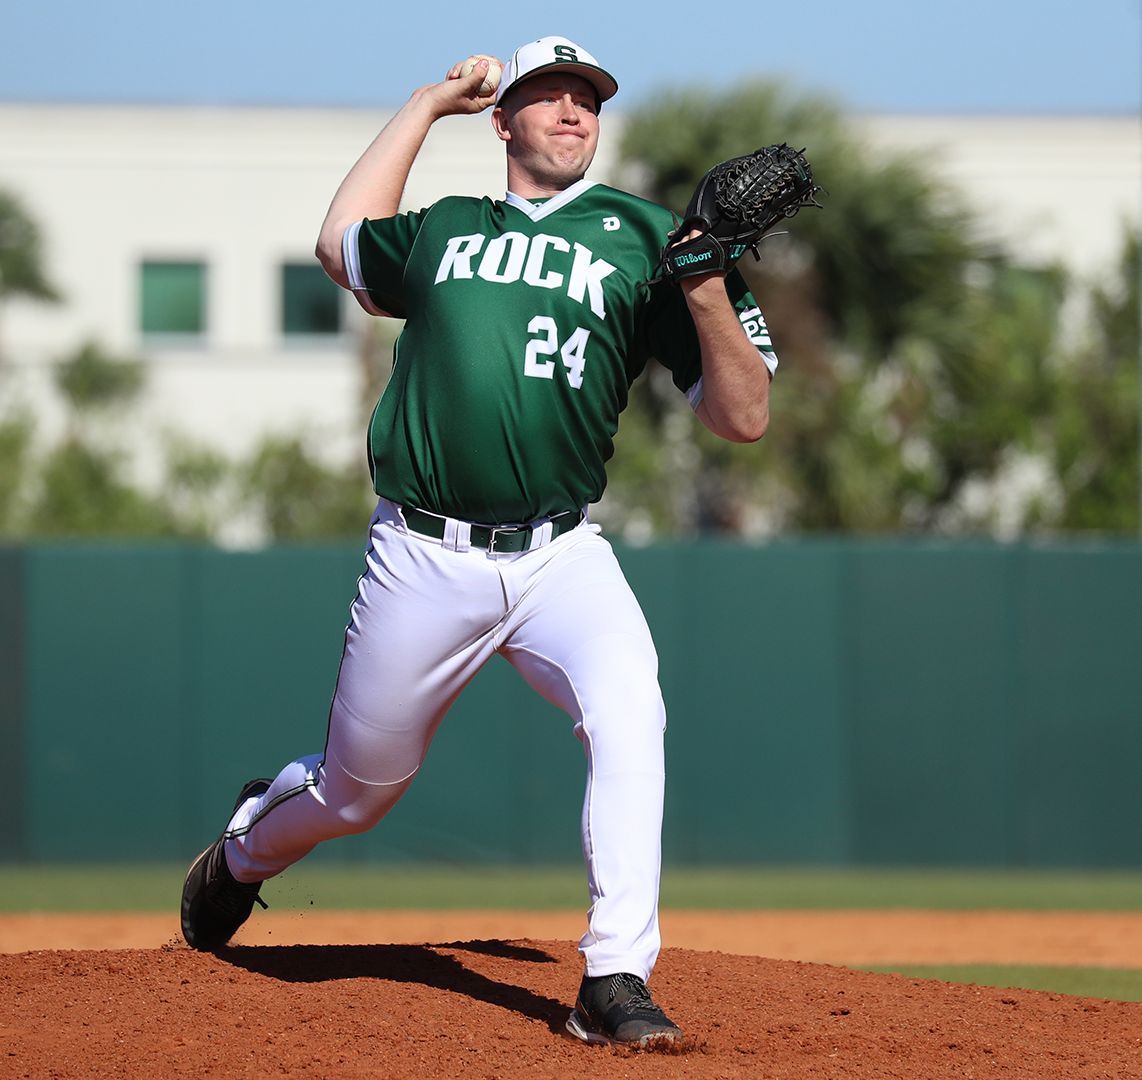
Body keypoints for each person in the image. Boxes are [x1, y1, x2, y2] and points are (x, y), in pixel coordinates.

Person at [178, 36, 781, 1047]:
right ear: (504, 121)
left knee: (632, 713)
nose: (572, 111)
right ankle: (242, 854)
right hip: (424, 553)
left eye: (587, 98)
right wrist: (424, 105)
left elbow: (745, 416)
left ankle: (615, 976)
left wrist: (707, 281)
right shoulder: (451, 227)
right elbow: (340, 244)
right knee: (355, 792)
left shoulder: (646, 237)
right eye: (549, 95)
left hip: (561, 554)